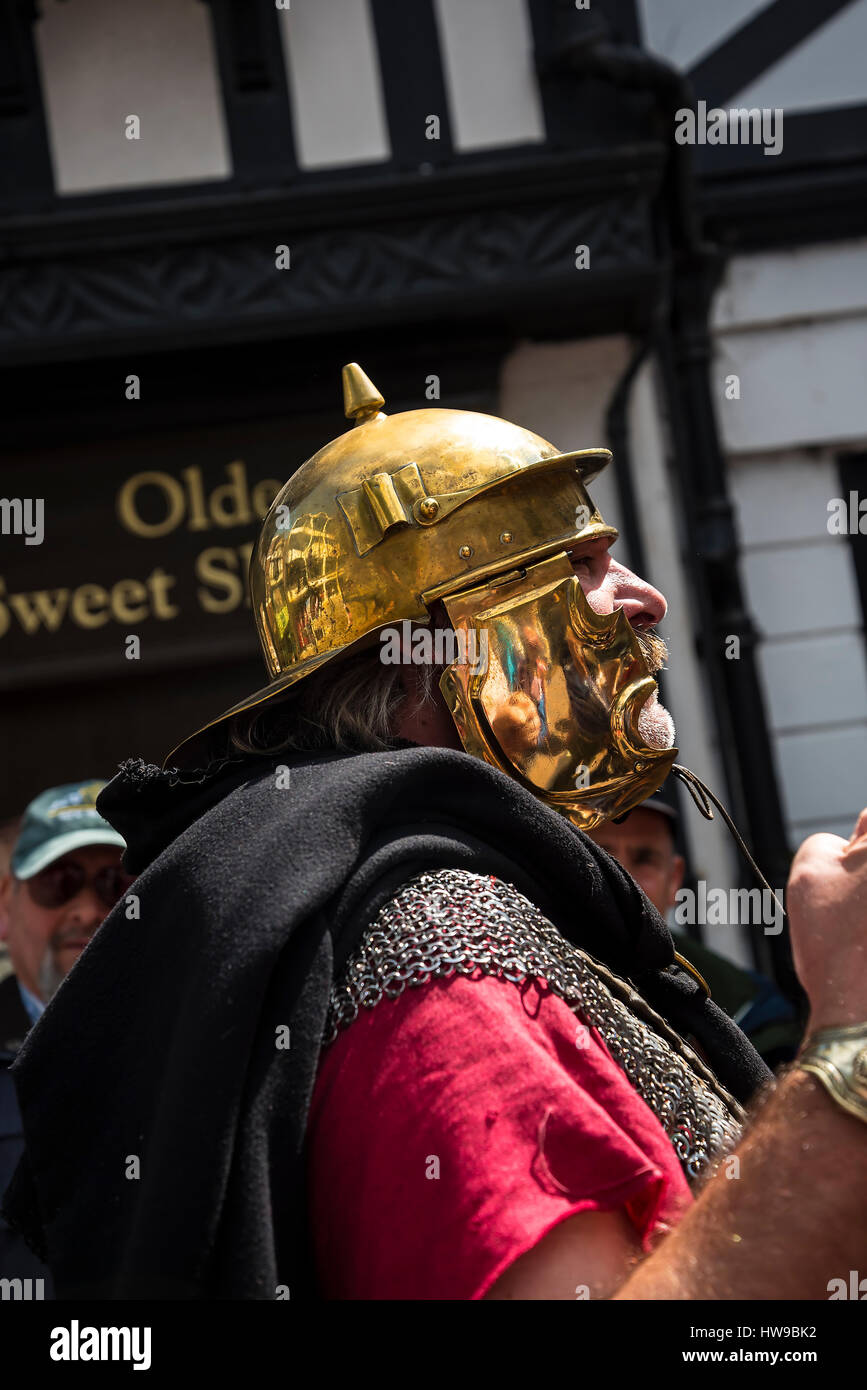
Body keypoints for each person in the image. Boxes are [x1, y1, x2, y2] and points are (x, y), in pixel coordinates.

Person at [4, 365, 866, 1301]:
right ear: (442, 652)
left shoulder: (479, 907)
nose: (642, 597)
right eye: (579, 566)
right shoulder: (438, 951)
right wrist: (852, 1031)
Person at [0, 781, 131, 1287]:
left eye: (115, 885)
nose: (86, 911)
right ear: (5, 906)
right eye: (59, 881)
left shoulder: (205, 1048)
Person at [587, 796, 802, 1069]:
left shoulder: (747, 1004)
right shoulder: (531, 959)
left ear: (674, 878)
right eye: (601, 854)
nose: (623, 874)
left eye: (644, 859)